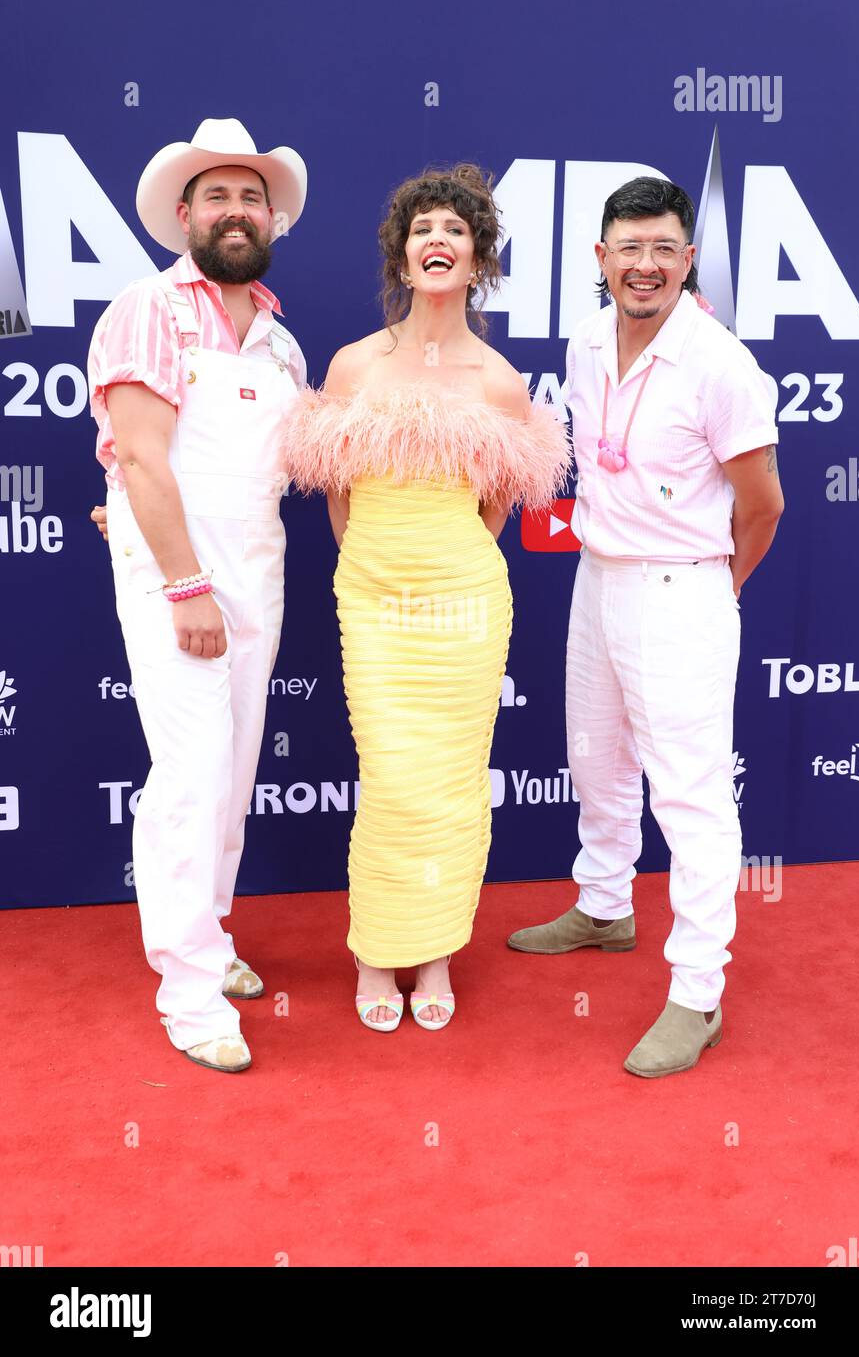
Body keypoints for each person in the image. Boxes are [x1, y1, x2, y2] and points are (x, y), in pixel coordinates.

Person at [508, 177, 784, 1078]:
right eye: (629, 248)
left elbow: (764, 505)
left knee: (693, 800)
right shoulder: (587, 342)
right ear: (600, 259)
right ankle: (603, 905)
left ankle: (698, 993)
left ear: (689, 258)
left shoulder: (721, 364)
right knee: (596, 758)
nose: (646, 265)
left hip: (682, 591)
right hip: (598, 580)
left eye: (665, 248)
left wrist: (711, 590)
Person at [284, 164, 570, 1031]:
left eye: (455, 229)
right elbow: (337, 495)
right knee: (391, 776)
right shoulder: (352, 367)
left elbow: (494, 511)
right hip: (372, 599)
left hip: (465, 605)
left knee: (447, 780)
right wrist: (378, 567)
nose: (437, 240)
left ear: (477, 256)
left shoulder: (499, 381)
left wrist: (440, 567)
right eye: (422, 230)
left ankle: (437, 950)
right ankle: (378, 950)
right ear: (401, 257)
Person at [87, 118, 307, 1072]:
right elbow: (140, 452)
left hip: (259, 560)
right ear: (184, 214)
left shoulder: (282, 344)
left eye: (250, 196)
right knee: (189, 774)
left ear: (272, 218)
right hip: (187, 573)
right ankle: (186, 990)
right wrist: (180, 580)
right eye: (215, 196)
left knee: (235, 767)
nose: (234, 210)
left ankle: (211, 941)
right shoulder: (149, 308)